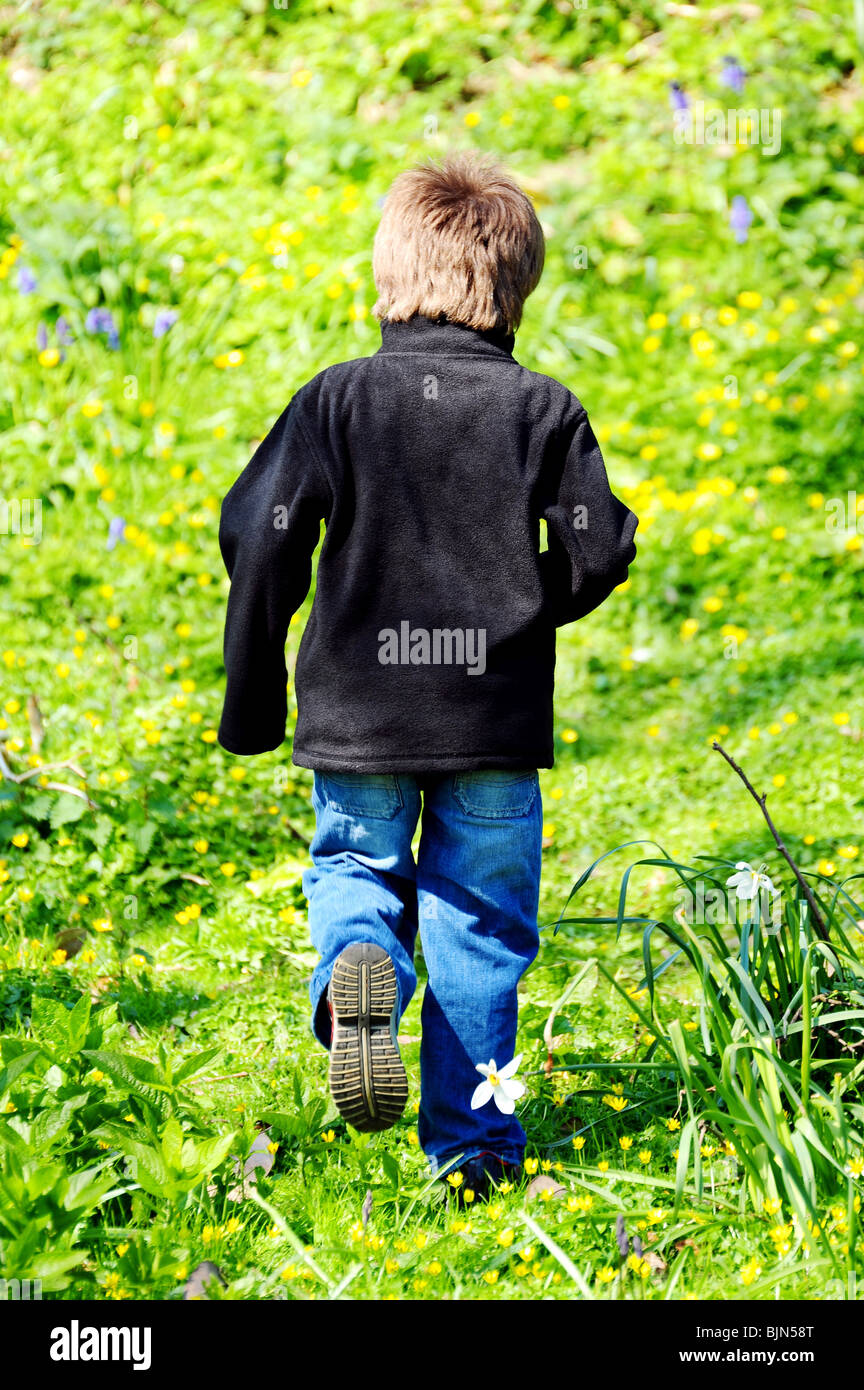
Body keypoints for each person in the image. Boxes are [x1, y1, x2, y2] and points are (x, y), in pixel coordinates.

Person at [217, 153, 638, 1197]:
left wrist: (254, 688)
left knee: (356, 870)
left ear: (388, 274)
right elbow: (601, 549)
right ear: (516, 287)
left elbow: (258, 533)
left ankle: (360, 971)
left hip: (359, 714)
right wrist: (528, 607)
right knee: (482, 921)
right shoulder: (546, 410)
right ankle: (475, 1154)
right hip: (489, 722)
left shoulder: (335, 403)